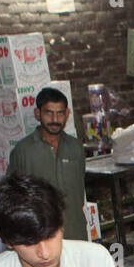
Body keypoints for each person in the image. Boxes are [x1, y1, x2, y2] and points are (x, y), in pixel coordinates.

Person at [7, 87, 89, 241]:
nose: (55, 119)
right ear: (37, 114)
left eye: (60, 113)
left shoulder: (76, 147)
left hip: (75, 232)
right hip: (41, 238)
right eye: (48, 112)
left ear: (67, 114)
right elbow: (13, 198)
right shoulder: (23, 150)